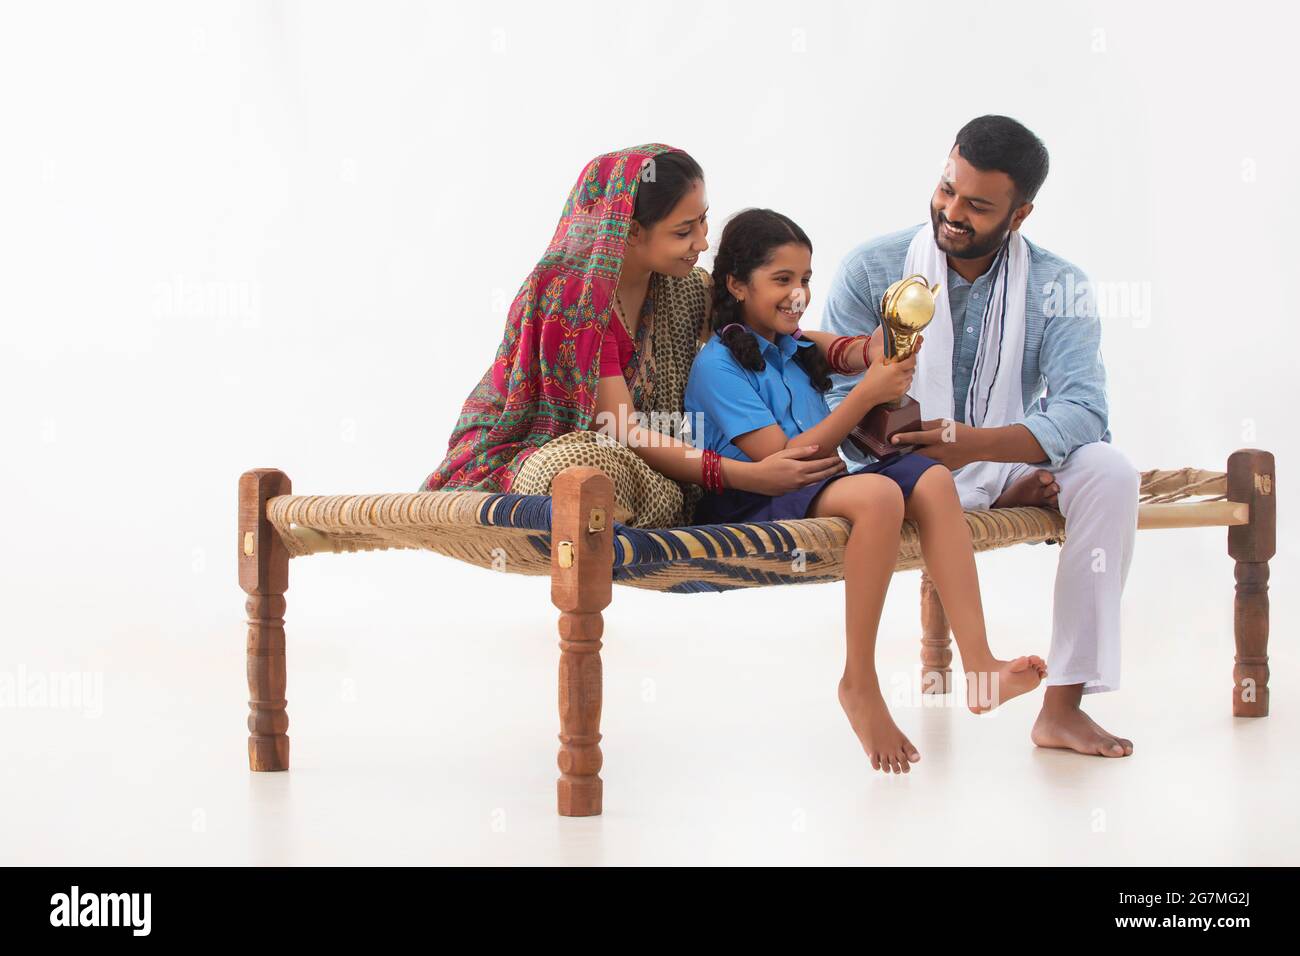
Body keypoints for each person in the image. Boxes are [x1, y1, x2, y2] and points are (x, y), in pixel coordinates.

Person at [821, 115, 1141, 759]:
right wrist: (911, 443)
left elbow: (1085, 411)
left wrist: (980, 447)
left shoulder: (1057, 285)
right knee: (937, 475)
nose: (952, 211)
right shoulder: (872, 267)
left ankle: (1062, 708)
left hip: (998, 456)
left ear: (1019, 215)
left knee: (1110, 471)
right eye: (947, 189)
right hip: (890, 471)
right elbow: (829, 397)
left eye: (977, 204)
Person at [685, 208, 1048, 774]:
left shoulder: (791, 341)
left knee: (929, 475)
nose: (799, 294)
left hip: (822, 482)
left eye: (805, 279)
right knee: (878, 497)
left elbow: (845, 350)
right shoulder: (719, 365)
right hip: (754, 496)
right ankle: (860, 681)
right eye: (782, 280)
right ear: (736, 284)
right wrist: (864, 394)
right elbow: (786, 460)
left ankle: (980, 665)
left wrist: (879, 351)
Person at [420, 145, 843, 527]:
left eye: (703, 221)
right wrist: (749, 476)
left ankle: (635, 504)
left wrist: (854, 352)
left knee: (626, 483)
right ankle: (588, 504)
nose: (702, 241)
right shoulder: (575, 302)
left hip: (661, 465)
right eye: (683, 232)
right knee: (579, 466)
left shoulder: (683, 286)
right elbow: (622, 430)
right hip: (547, 452)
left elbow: (772, 327)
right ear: (631, 230)